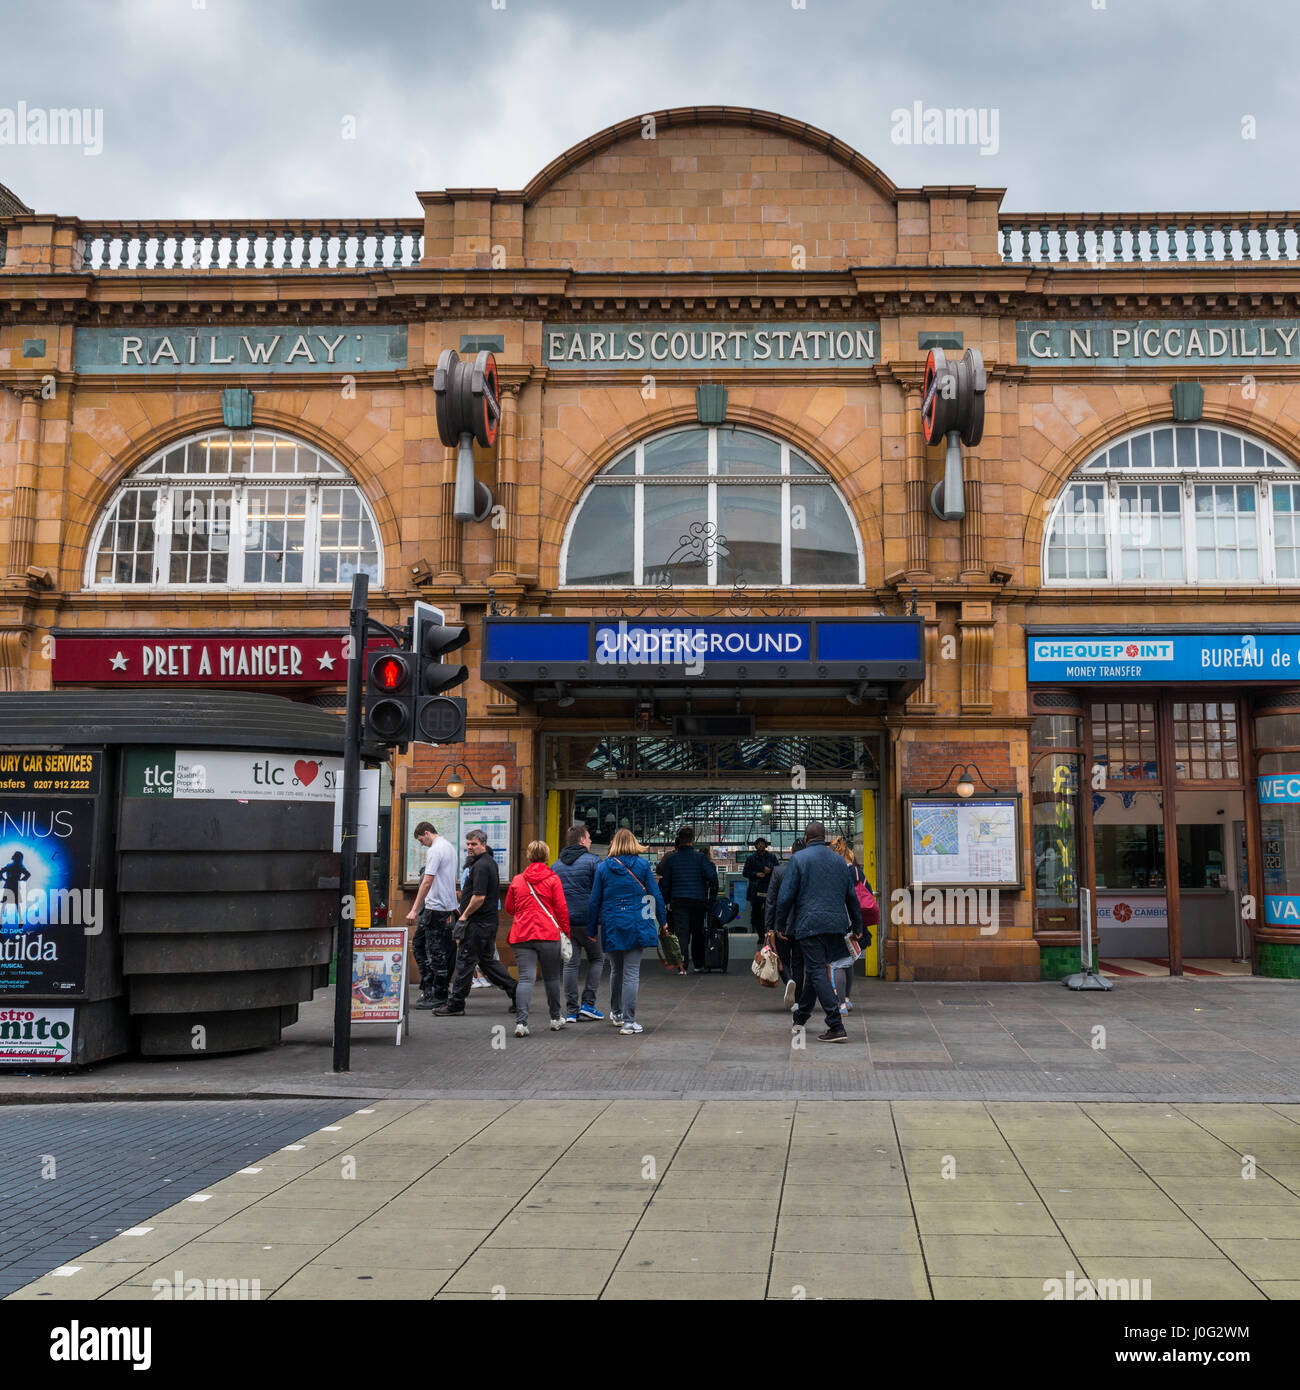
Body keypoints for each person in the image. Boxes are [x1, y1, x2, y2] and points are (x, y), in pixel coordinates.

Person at [774, 821, 864, 1043]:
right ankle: (801, 1017)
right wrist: (858, 926)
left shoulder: (799, 859)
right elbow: (851, 897)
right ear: (823, 838)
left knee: (815, 970)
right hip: (835, 926)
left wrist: (779, 924)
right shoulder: (839, 861)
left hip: (809, 924)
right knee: (816, 971)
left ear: (806, 838)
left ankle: (836, 1025)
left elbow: (786, 896)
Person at [588, 827, 667, 1035]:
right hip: (636, 924)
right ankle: (629, 1022)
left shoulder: (603, 868)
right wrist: (663, 921)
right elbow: (655, 895)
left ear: (614, 844)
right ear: (633, 843)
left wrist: (591, 928)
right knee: (631, 973)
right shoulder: (641, 865)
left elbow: (594, 900)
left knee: (616, 970)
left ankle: (616, 1013)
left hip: (612, 924)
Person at [434, 829, 517, 1015]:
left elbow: (479, 897)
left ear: (483, 845)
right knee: (487, 963)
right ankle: (516, 991)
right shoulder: (486, 863)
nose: (469, 847)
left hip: (477, 924)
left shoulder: (481, 866)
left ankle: (456, 1005)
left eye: (474, 844)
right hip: (485, 923)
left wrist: (463, 916)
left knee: (464, 961)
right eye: (468, 844)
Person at [503, 840, 571, 1036]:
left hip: (522, 934)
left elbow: (510, 908)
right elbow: (561, 910)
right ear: (547, 856)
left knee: (525, 978)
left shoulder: (518, 880)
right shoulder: (553, 879)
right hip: (548, 934)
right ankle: (555, 1018)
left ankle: (521, 1024)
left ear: (529, 856)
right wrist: (566, 932)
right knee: (551, 977)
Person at [552, 823, 605, 1022]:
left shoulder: (556, 865)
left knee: (570, 964)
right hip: (590, 921)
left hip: (566, 922)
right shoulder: (594, 862)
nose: (590, 841)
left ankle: (572, 1010)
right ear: (582, 840)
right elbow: (602, 890)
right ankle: (588, 1004)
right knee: (597, 958)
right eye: (589, 838)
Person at [407, 821, 459, 1009]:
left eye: (421, 840)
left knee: (434, 951)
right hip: (444, 907)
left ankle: (438, 994)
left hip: (435, 908)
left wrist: (414, 909)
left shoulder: (435, 850)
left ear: (427, 833)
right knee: (423, 945)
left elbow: (427, 881)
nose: (422, 844)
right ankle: (430, 987)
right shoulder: (449, 847)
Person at [656, 825, 717, 975]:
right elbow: (712, 877)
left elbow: (666, 882)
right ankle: (698, 964)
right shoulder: (701, 858)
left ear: (679, 840)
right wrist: (711, 899)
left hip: (678, 901)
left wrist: (667, 901)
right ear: (692, 840)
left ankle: (682, 966)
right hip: (698, 900)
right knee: (697, 933)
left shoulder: (672, 859)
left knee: (681, 934)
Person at [829, 836, 869, 1014]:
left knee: (838, 962)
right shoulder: (856, 871)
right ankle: (846, 999)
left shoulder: (833, 872)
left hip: (837, 920)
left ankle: (841, 1004)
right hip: (853, 920)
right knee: (850, 960)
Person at [766, 838, 806, 1009]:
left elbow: (771, 901)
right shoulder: (808, 870)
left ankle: (788, 980)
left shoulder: (778, 871)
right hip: (803, 924)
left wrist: (769, 927)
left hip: (782, 924)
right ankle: (797, 1001)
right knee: (799, 962)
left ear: (791, 852)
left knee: (782, 959)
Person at [743, 837, 778, 933]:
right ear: (756, 846)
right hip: (756, 889)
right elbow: (745, 872)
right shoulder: (751, 858)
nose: (760, 845)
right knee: (756, 913)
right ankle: (761, 934)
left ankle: (769, 933)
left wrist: (770, 871)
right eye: (758, 843)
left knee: (770, 912)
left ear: (766, 845)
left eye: (762, 843)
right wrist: (756, 874)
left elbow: (778, 871)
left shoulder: (772, 857)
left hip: (768, 888)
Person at [0, 851, 30, 925]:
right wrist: (21, 880)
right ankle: (20, 920)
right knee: (13, 903)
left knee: (6, 903)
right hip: (13, 885)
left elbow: (1, 871)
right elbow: (28, 874)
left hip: (10, 885)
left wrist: (4, 879)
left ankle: (19, 920)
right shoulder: (19, 866)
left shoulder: (11, 865)